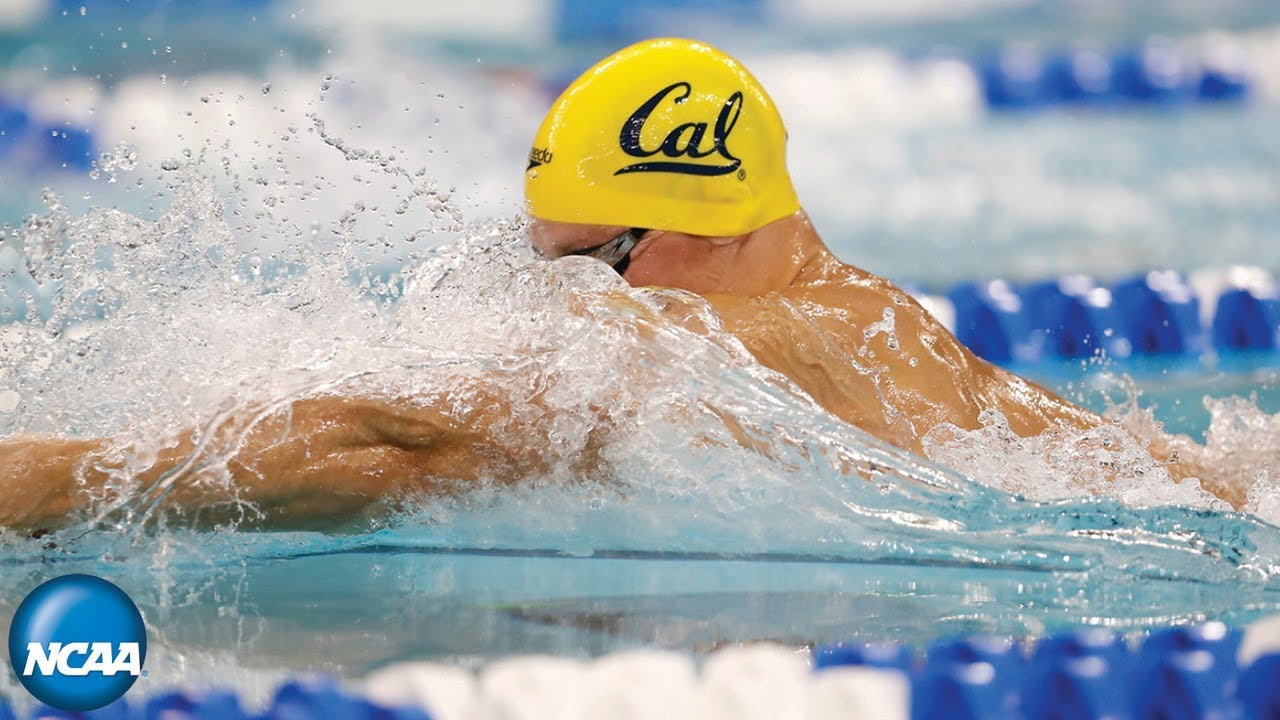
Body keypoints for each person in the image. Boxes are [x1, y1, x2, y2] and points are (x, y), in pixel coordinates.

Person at [0, 38, 1232, 532]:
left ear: (688, 220)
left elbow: (410, 444)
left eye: (590, 268)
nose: (571, 304)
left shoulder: (749, 339)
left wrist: (57, 479)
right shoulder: (867, 316)